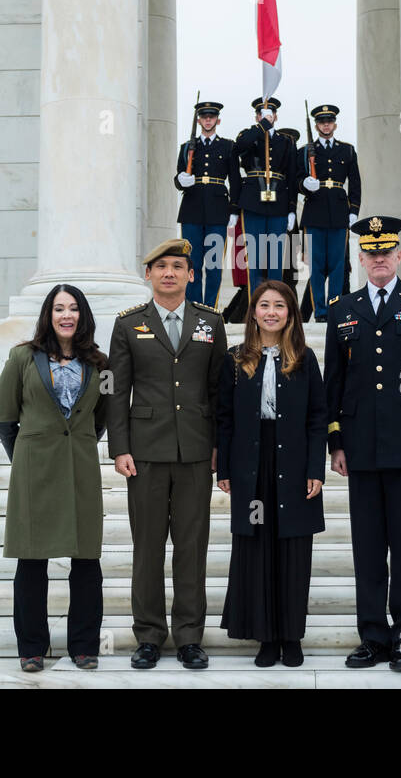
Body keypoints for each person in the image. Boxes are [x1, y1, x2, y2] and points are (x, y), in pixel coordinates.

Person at [324, 215, 401, 672]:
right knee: (368, 545)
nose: (379, 259)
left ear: (399, 256)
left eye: (386, 252)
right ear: (361, 259)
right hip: (359, 446)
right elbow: (332, 382)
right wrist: (335, 440)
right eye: (371, 253)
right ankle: (372, 634)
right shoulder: (341, 308)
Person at [107, 239, 228, 670]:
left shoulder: (210, 322)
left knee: (192, 547)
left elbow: (219, 390)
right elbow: (116, 391)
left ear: (191, 275)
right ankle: (150, 635)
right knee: (148, 547)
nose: (170, 273)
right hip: (146, 452)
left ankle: (190, 636)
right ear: (148, 275)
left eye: (178, 266)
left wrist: (219, 446)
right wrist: (119, 447)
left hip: (196, 449)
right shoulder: (128, 325)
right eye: (161, 267)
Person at [0, 283, 111, 672]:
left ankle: (84, 646)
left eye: (73, 308)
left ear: (83, 316)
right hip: (35, 469)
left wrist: (74, 445)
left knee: (86, 559)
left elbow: (102, 416)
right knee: (31, 560)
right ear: (48, 314)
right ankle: (31, 647)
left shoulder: (101, 364)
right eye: (59, 308)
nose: (66, 315)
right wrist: (27, 456)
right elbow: (5, 417)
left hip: (80, 467)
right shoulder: (22, 357)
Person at [216, 279, 327, 667]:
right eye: (264, 305)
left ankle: (291, 636)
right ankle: (265, 637)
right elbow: (225, 419)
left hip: (293, 464)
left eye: (280, 305)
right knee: (257, 548)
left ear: (291, 313)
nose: (271, 312)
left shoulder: (305, 358)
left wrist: (316, 469)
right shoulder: (234, 359)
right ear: (253, 313)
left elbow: (317, 418)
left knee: (293, 550)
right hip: (252, 464)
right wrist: (225, 467)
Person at [297, 104, 361, 323]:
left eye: (329, 121)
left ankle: (335, 309)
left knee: (337, 266)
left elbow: (355, 183)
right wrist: (305, 184)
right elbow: (296, 179)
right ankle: (321, 313)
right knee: (316, 268)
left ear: (334, 124)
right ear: (316, 125)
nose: (326, 125)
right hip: (315, 211)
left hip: (339, 212)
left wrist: (354, 210)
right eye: (322, 122)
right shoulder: (305, 151)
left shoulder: (347, 150)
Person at [229, 97, 297, 298]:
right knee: (255, 259)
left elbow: (292, 176)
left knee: (276, 260)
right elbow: (239, 147)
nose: (266, 117)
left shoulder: (286, 141)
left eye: (270, 114)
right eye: (262, 114)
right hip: (253, 203)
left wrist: (292, 208)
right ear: (257, 116)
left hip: (279, 203)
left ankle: (275, 303)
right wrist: (262, 127)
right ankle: (255, 305)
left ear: (276, 116)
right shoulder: (249, 135)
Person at [175, 100, 233, 309]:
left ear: (218, 120)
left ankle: (210, 308)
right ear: (199, 120)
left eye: (212, 117)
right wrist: (181, 180)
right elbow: (178, 177)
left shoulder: (228, 146)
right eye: (204, 117)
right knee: (192, 264)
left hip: (218, 212)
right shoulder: (186, 148)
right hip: (191, 210)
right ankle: (193, 307)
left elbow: (234, 179)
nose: (208, 120)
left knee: (214, 265)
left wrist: (233, 210)